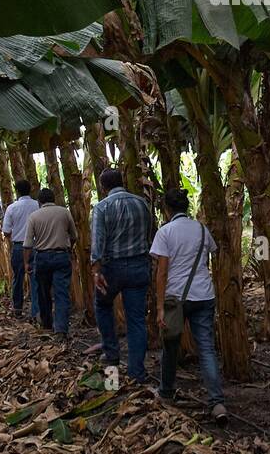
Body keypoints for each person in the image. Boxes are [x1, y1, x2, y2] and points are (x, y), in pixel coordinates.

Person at [152, 188, 226, 423]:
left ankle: (166, 391)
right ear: (186, 207)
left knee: (170, 346)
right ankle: (217, 402)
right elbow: (211, 256)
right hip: (204, 295)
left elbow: (162, 272)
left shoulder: (165, 232)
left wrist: (160, 306)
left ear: (167, 208)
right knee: (206, 348)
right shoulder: (202, 229)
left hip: (176, 298)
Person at [89, 168, 153, 384]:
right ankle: (136, 371)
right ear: (122, 182)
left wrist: (96, 270)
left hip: (112, 268)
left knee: (103, 305)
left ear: (103, 187)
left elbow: (98, 242)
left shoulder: (102, 207)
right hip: (138, 265)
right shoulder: (141, 203)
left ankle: (112, 353)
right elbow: (149, 233)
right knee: (136, 319)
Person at [22, 188, 77, 343]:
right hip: (61, 256)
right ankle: (61, 329)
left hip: (42, 257)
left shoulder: (34, 216)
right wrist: (69, 248)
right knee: (61, 293)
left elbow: (27, 244)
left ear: (39, 202)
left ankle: (47, 323)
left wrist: (26, 262)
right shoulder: (64, 212)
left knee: (43, 292)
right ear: (54, 199)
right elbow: (74, 236)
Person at [1, 179, 39, 320]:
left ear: (16, 190)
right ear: (30, 189)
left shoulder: (12, 207)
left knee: (17, 278)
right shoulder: (37, 205)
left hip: (18, 246)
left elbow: (6, 231)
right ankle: (36, 312)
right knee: (35, 279)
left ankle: (17, 308)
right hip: (35, 246)